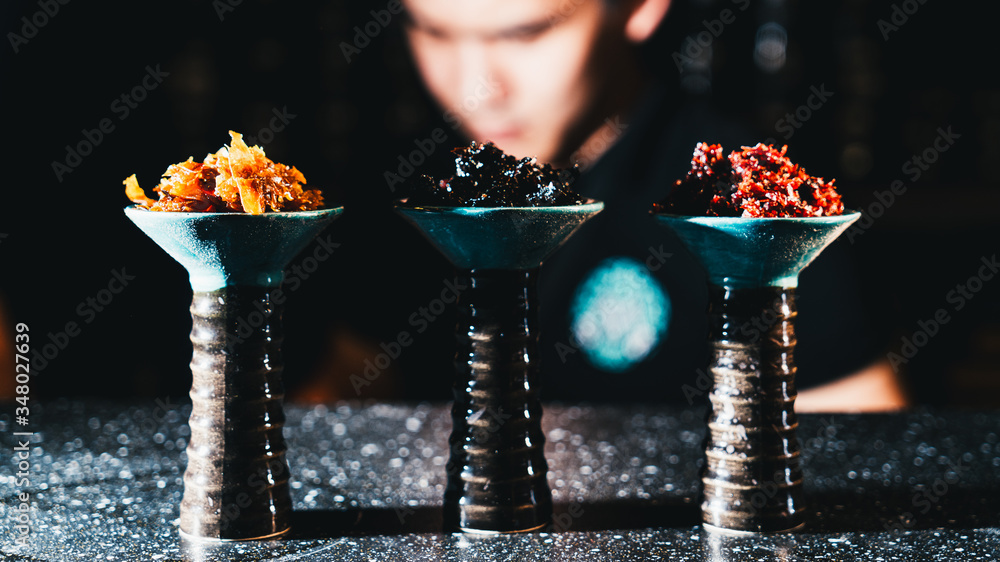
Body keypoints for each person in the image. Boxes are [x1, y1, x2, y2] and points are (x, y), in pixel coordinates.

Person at [300, 0, 908, 412]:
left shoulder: (738, 200)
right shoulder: (409, 191)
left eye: (526, 33)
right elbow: (351, 392)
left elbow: (860, 442)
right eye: (433, 32)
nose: (476, 87)